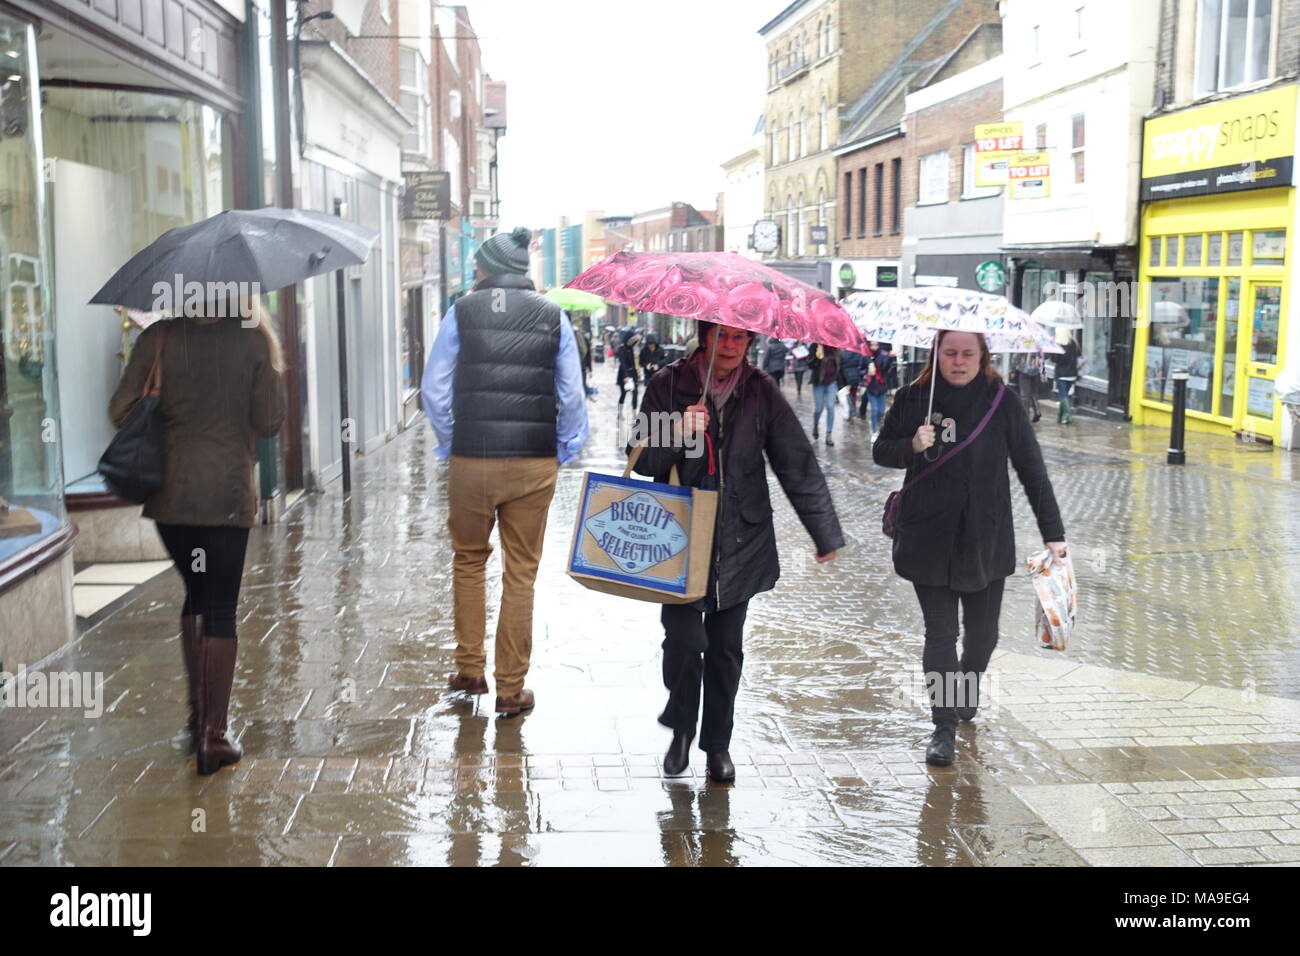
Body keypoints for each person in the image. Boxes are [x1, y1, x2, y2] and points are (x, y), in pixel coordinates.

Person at [632, 321, 842, 782]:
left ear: (750, 343)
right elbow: (639, 456)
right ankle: (682, 727)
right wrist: (676, 430)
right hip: (677, 538)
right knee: (686, 643)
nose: (729, 346)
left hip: (740, 539)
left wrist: (824, 534)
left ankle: (717, 745)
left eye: (739, 338)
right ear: (704, 336)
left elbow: (796, 461)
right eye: (721, 336)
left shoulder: (760, 390)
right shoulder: (670, 384)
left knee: (726, 649)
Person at [108, 297, 286, 776]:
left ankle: (196, 716)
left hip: (173, 499)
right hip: (226, 497)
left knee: (197, 593)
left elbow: (120, 409)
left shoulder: (158, 338)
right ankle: (214, 735)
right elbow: (270, 422)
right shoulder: (253, 341)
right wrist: (269, 357)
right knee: (221, 606)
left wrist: (168, 413)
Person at [872, 330, 1066, 767]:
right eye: (950, 352)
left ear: (983, 356)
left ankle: (966, 688)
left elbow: (1031, 468)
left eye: (968, 353)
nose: (958, 361)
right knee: (941, 635)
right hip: (927, 537)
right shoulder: (912, 398)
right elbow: (881, 451)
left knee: (983, 637)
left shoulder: (1002, 401)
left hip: (986, 537)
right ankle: (944, 727)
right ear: (936, 353)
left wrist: (1054, 532)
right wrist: (911, 446)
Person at [422, 226, 590, 716]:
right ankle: (511, 689)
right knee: (521, 573)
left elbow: (433, 389)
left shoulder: (461, 312)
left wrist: (454, 440)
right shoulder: (552, 315)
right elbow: (572, 396)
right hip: (533, 462)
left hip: (472, 458)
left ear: (486, 268)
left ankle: (470, 669)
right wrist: (563, 447)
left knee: (469, 561)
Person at [807, 343, 840, 446]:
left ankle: (828, 435)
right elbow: (810, 365)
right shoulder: (814, 346)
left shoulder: (835, 347)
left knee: (830, 407)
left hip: (832, 383)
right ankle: (816, 425)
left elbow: (840, 365)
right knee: (818, 408)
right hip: (818, 383)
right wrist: (818, 355)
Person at [860, 340, 893, 435]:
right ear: (869, 345)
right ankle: (874, 431)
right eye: (872, 345)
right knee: (874, 409)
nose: (874, 347)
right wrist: (867, 371)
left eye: (876, 345)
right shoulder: (865, 356)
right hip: (871, 388)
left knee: (881, 411)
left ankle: (879, 428)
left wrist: (891, 358)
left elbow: (886, 367)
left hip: (881, 387)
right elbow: (860, 370)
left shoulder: (883, 355)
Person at [1052, 327, 1082, 424]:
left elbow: (1054, 359)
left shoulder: (1058, 345)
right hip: (1072, 374)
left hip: (1061, 374)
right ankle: (1059, 417)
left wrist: (1052, 346)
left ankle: (1069, 416)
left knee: (1063, 395)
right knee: (1064, 396)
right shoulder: (1073, 343)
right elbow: (1078, 355)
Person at [616, 330, 642, 413]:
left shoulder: (631, 349)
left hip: (632, 375)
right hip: (624, 375)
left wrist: (637, 376)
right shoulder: (622, 349)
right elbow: (622, 364)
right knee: (623, 394)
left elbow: (634, 364)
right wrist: (625, 376)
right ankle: (620, 413)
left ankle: (634, 413)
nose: (634, 343)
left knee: (635, 393)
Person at [838, 348, 866, 421]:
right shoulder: (858, 352)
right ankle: (851, 412)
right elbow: (861, 364)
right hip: (855, 376)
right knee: (853, 395)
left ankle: (849, 413)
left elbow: (840, 366)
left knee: (847, 395)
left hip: (845, 376)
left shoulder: (842, 352)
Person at [1016, 351, 1044, 423]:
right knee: (1033, 392)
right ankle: (1037, 411)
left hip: (1024, 369)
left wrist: (1013, 368)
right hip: (1035, 369)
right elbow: (1044, 357)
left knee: (1024, 394)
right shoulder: (1038, 345)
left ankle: (1026, 415)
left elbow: (1017, 356)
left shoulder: (1024, 343)